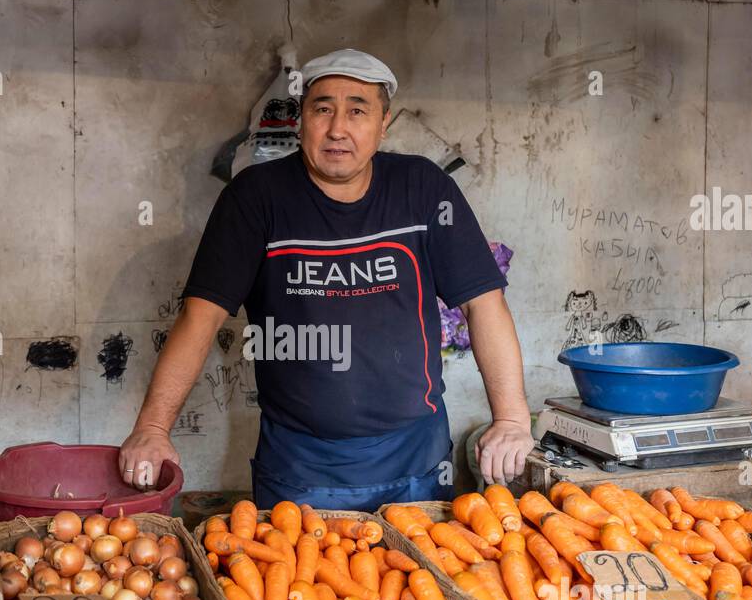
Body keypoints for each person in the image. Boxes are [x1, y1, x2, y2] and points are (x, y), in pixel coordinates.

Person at [119, 48, 535, 510]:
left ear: (384, 123)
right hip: (298, 463)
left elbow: (484, 304)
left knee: (417, 578)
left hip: (415, 456)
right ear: (301, 121)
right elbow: (200, 319)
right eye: (322, 109)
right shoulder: (255, 198)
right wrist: (153, 430)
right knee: (294, 580)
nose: (338, 128)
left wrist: (513, 419)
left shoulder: (423, 189)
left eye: (358, 110)